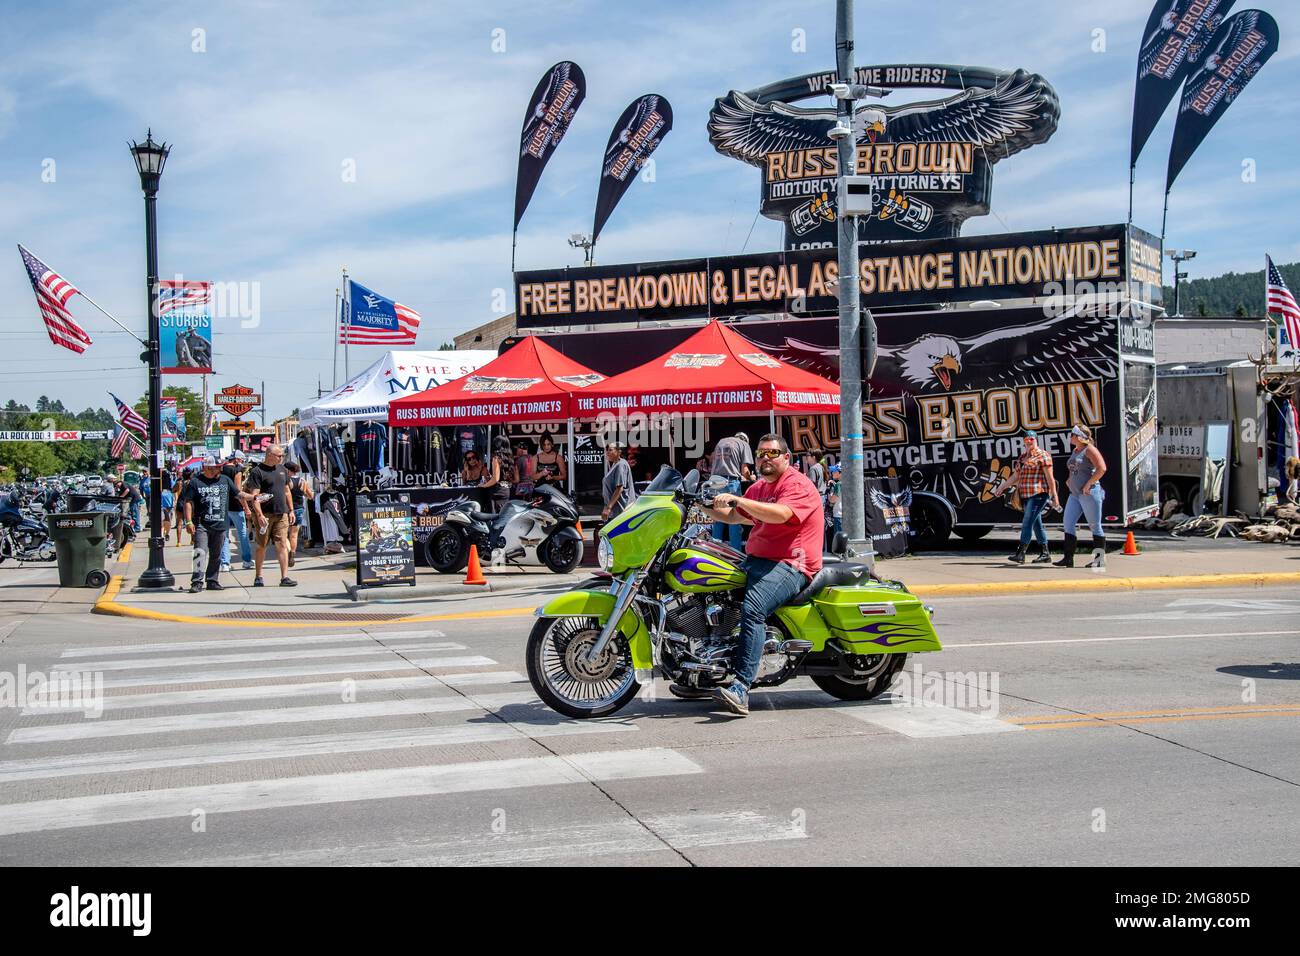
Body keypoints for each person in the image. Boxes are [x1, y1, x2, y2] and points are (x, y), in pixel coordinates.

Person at [699, 434, 824, 717]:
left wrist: (735, 498)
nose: (765, 458)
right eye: (761, 453)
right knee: (714, 593)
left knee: (753, 608)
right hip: (759, 560)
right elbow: (733, 517)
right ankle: (703, 674)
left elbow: (781, 514)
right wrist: (699, 505)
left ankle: (742, 687)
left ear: (786, 457)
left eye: (772, 453)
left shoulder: (797, 484)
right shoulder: (760, 488)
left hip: (792, 564)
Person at [179, 455, 248, 593]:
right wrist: (188, 521)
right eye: (218, 467)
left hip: (220, 524)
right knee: (200, 552)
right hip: (201, 525)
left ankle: (212, 580)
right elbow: (188, 502)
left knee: (216, 555)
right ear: (209, 468)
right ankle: (197, 582)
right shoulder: (195, 482)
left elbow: (238, 494)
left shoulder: (225, 480)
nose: (220, 469)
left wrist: (254, 498)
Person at [993, 430, 1060, 564]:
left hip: (1039, 494)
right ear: (1023, 441)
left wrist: (1054, 497)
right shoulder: (1022, 457)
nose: (1029, 442)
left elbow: (1050, 478)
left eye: (1032, 439)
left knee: (1027, 521)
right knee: (1036, 524)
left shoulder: (1043, 455)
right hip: (1025, 494)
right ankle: (1045, 553)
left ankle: (1021, 553)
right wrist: (1001, 487)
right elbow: (1015, 476)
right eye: (1026, 440)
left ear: (1036, 440)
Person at [1056, 423, 1108, 568]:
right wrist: (1069, 480)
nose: (1070, 437)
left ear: (1080, 437)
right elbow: (1074, 468)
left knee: (1095, 526)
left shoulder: (1089, 449)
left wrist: (1088, 484)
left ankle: (1099, 560)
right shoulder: (1076, 450)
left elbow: (1102, 468)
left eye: (1073, 434)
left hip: (1089, 493)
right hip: (1075, 494)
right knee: (1068, 524)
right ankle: (1068, 558)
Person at [245, 444, 297, 587]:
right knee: (262, 545)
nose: (281, 458)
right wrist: (259, 515)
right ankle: (258, 576)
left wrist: (291, 510)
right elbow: (255, 496)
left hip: (281, 513)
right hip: (265, 515)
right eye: (279, 456)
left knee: (281, 544)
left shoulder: (282, 470)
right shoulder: (257, 472)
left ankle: (284, 577)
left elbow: (287, 491)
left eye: (282, 456)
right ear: (269, 455)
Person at [710, 431, 754, 550]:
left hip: (714, 481)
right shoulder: (743, 444)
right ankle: (735, 554)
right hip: (730, 482)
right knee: (734, 517)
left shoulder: (721, 441)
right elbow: (745, 470)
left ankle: (714, 551)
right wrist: (751, 478)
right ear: (745, 440)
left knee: (718, 516)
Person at [220, 451, 254, 571]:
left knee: (224, 535)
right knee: (242, 534)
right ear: (237, 460)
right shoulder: (236, 471)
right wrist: (246, 507)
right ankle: (246, 560)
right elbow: (238, 491)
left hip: (222, 506)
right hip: (236, 506)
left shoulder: (220, 470)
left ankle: (225, 563)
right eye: (241, 461)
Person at [285, 460, 314, 563]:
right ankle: (293, 553)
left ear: (288, 470)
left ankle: (288, 550)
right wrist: (304, 494)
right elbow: (310, 496)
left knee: (283, 534)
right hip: (299, 509)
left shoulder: (286, 481)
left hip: (286, 510)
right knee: (294, 534)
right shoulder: (303, 481)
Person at [600, 441, 635, 523]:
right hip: (615, 511)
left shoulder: (621, 465)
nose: (607, 452)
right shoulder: (615, 464)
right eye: (607, 450)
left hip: (620, 510)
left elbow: (619, 489)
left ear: (619, 452)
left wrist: (608, 508)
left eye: (610, 450)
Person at [478, 435, 514, 511]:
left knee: (494, 517)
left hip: (497, 491)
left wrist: (484, 486)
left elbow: (495, 478)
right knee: (503, 516)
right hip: (506, 490)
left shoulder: (496, 458)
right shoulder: (509, 458)